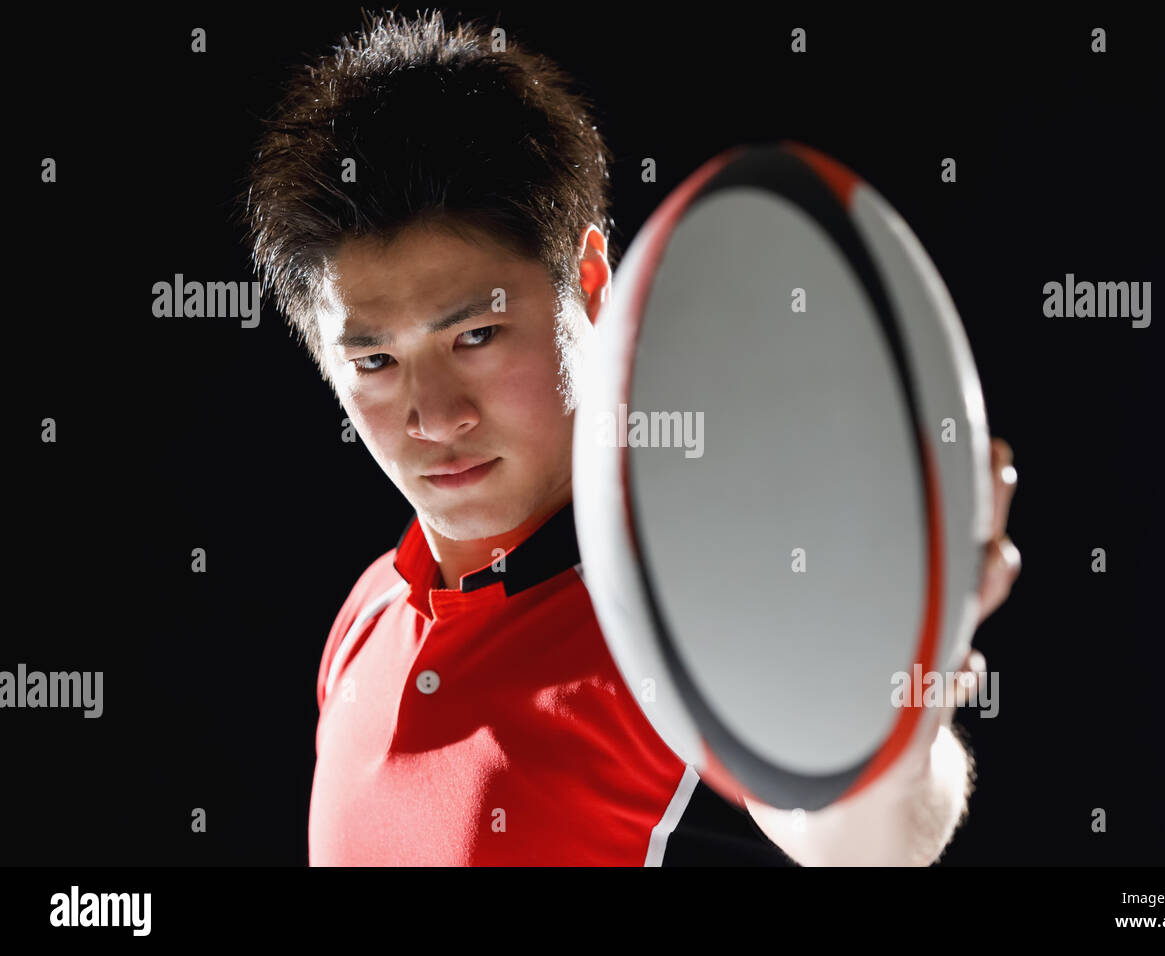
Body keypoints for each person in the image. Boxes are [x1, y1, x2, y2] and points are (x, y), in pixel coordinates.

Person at [240, 8, 1021, 866]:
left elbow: (865, 844)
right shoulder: (367, 617)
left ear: (590, 281)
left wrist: (903, 726)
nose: (436, 417)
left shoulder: (689, 608)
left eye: (476, 337)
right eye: (379, 362)